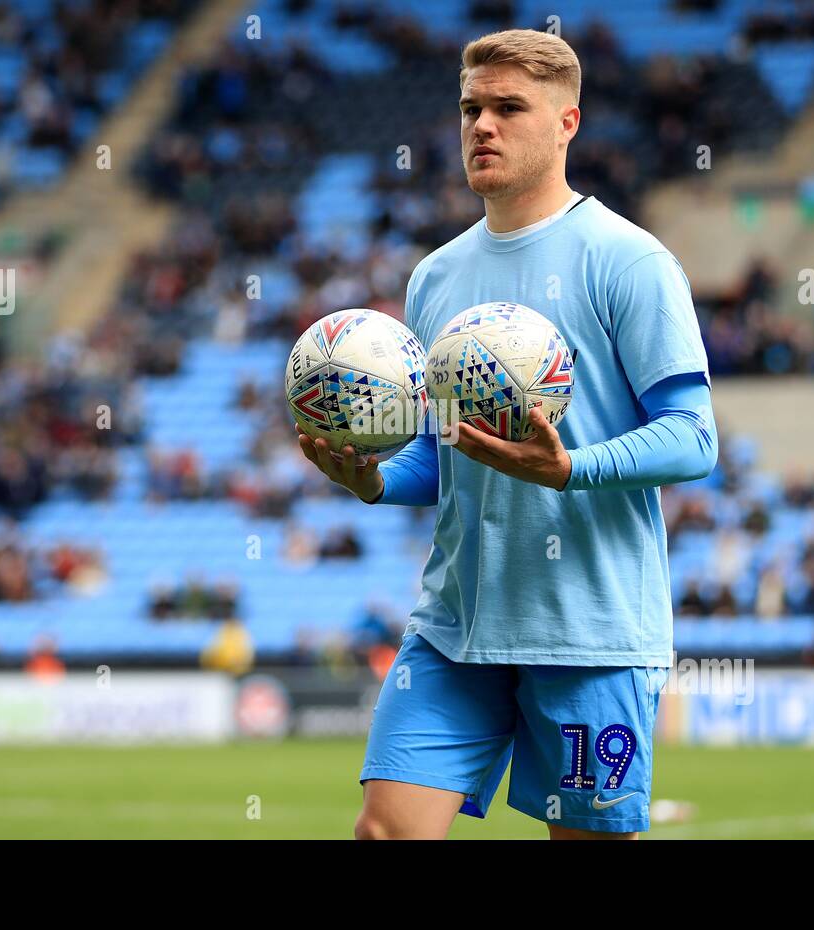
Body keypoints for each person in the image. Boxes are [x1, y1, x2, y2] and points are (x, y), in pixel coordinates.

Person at [295, 30, 717, 840]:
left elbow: (693, 439)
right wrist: (376, 481)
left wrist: (568, 470)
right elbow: (441, 450)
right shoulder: (436, 276)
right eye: (470, 108)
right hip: (455, 624)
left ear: (567, 122)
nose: (482, 125)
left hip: (587, 630)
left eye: (508, 107)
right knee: (385, 830)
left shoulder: (629, 261)